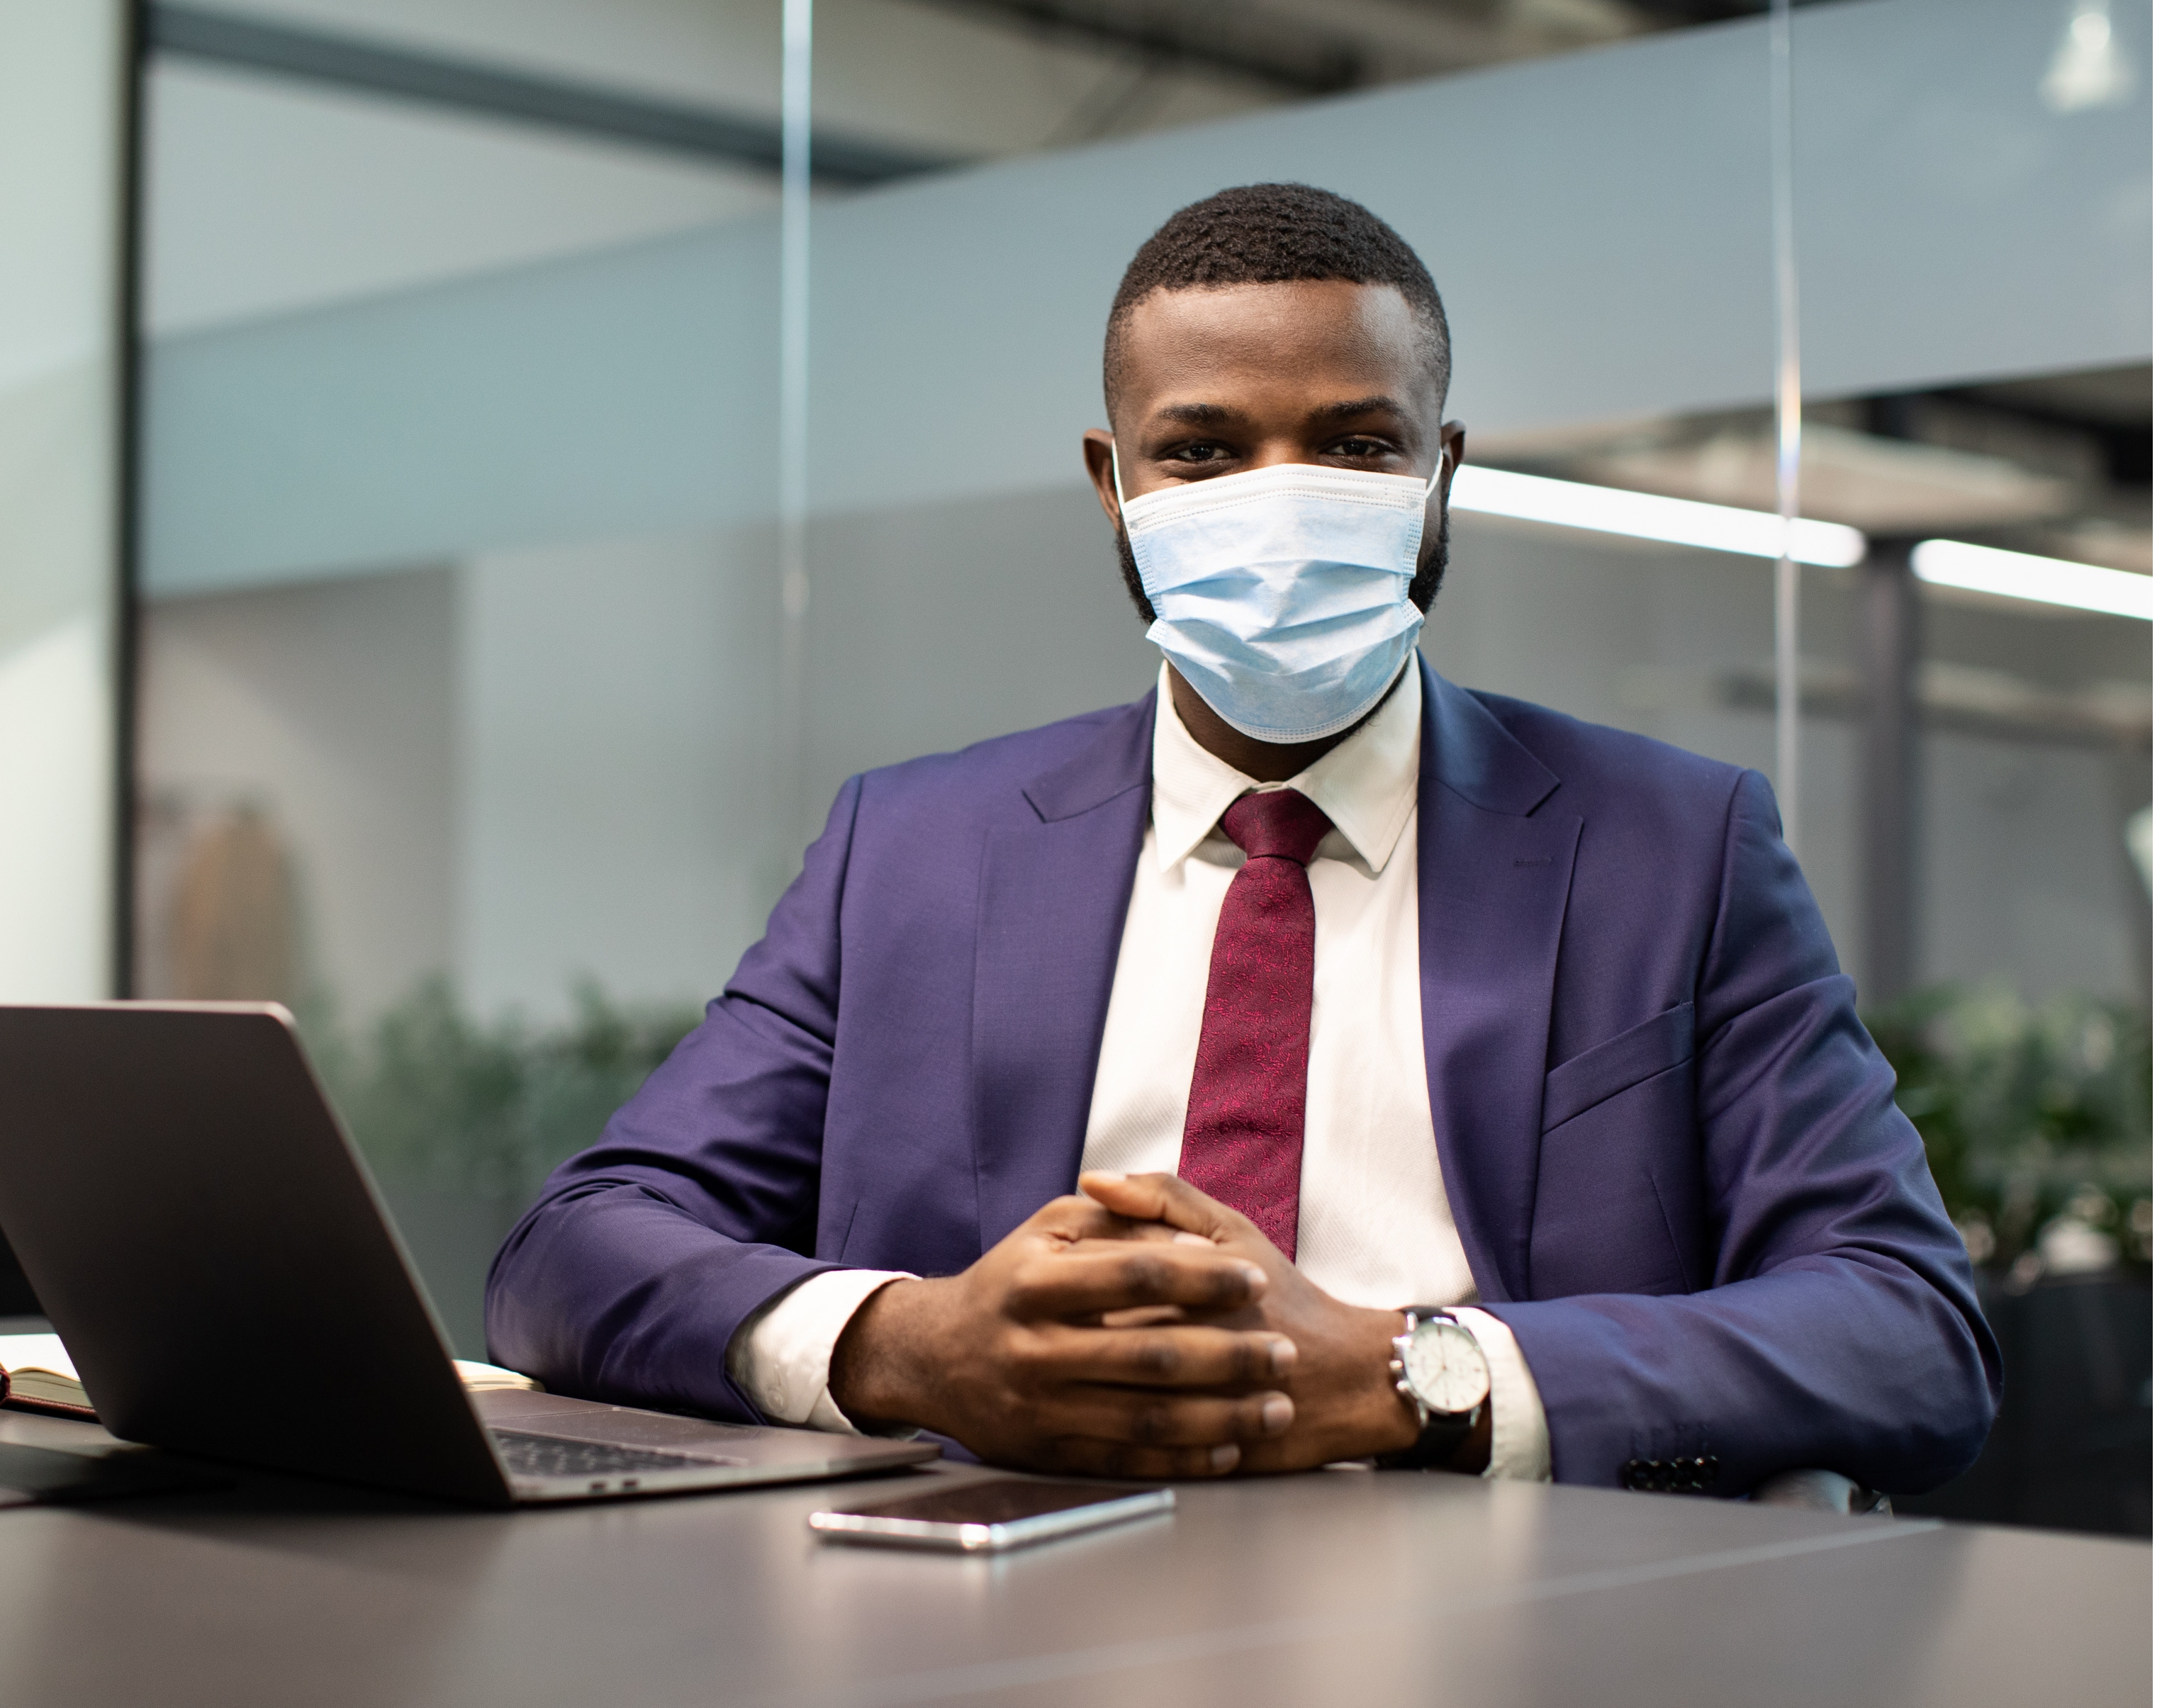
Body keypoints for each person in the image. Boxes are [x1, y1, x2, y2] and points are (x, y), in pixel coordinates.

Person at [486, 183, 1998, 1494]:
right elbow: (574, 1252)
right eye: (1200, 452)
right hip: (982, 1610)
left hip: (1499, 1616)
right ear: (1112, 485)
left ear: (1437, 474)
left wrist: (1417, 1374)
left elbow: (1903, 1326)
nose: (1276, 507)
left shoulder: (1672, 848)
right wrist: (910, 1344)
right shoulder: (912, 848)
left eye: (1350, 446)